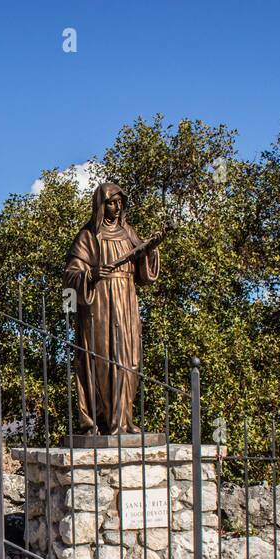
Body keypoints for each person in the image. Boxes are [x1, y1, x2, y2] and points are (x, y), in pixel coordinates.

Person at [62, 182, 164, 435]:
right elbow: (70, 277)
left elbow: (144, 272)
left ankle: (125, 420)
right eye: (111, 202)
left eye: (120, 202)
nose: (116, 207)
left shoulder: (128, 233)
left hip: (126, 301)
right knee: (102, 360)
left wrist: (149, 251)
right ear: (101, 205)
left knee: (129, 359)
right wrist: (93, 274)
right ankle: (105, 421)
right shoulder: (88, 236)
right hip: (100, 304)